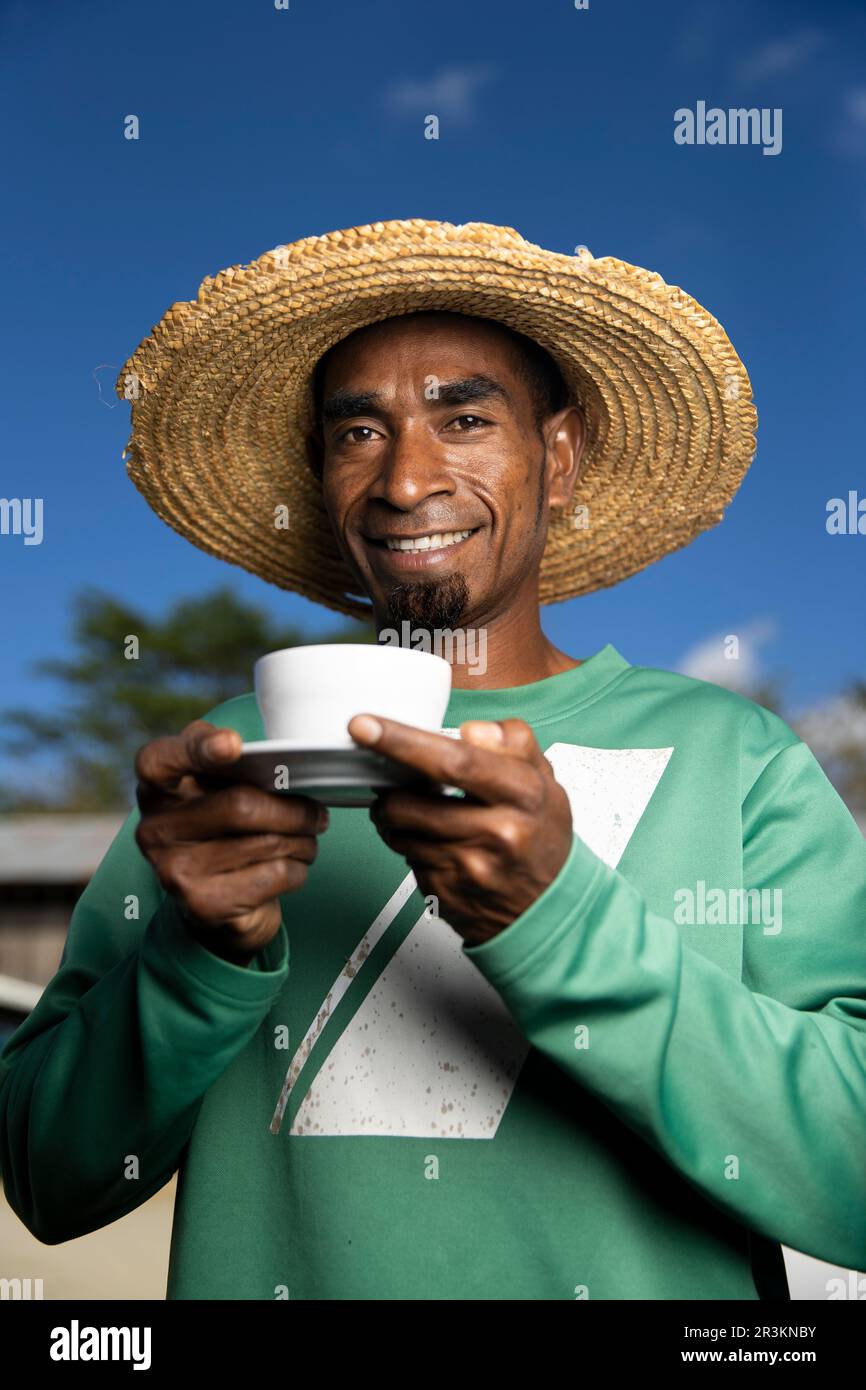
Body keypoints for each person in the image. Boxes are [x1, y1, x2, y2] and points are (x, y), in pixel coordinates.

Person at [2, 219, 865, 1301]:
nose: (405, 481)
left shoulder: (730, 756)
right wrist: (194, 953)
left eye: (463, 418)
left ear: (558, 458)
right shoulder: (220, 773)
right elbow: (46, 1176)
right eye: (357, 432)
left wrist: (557, 924)